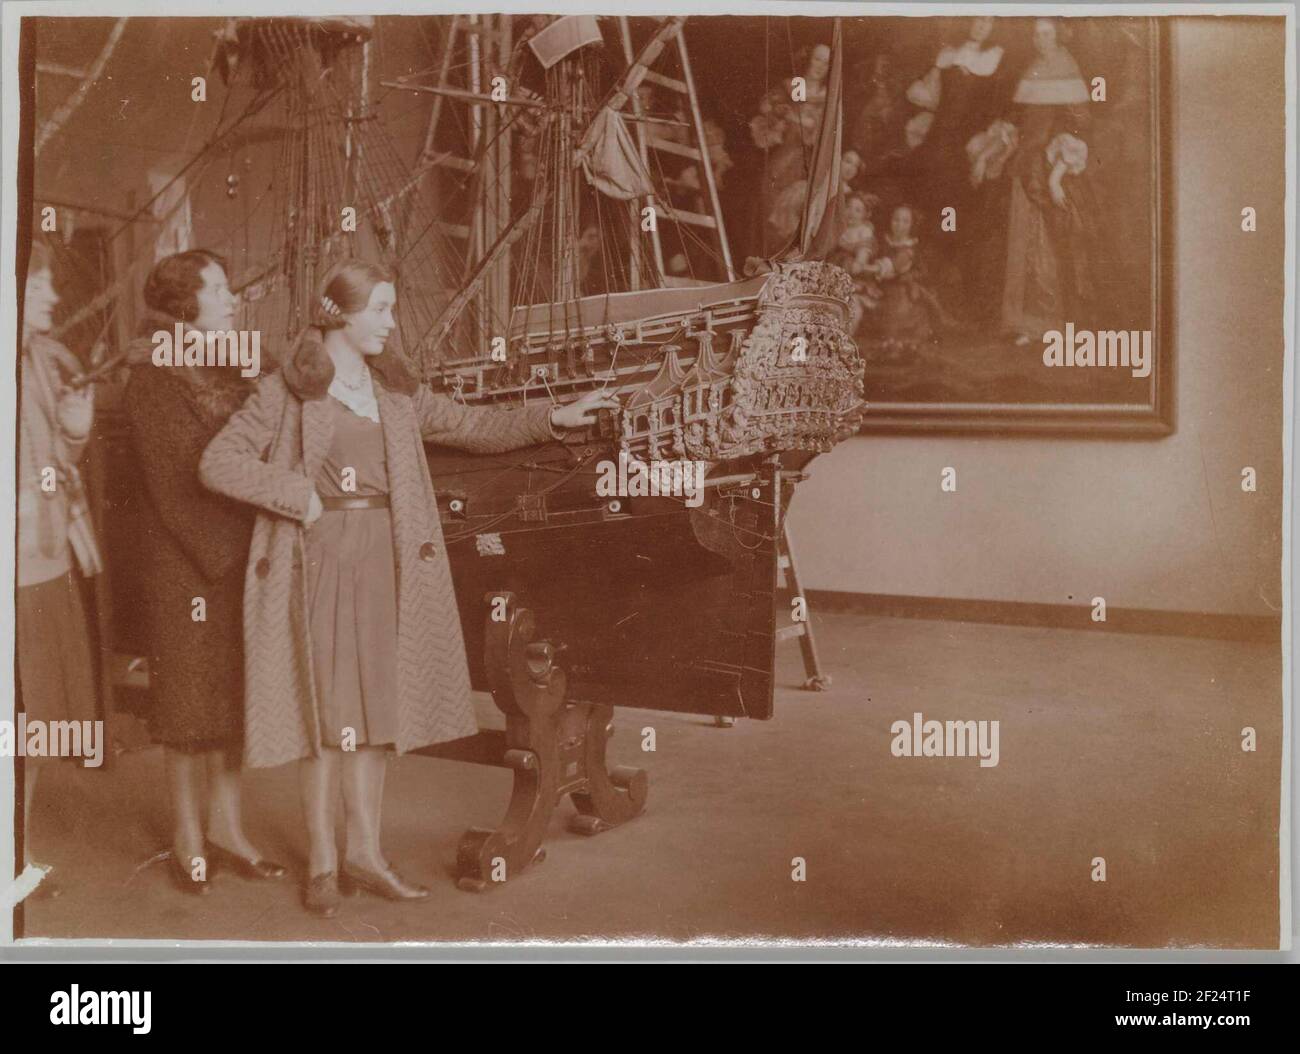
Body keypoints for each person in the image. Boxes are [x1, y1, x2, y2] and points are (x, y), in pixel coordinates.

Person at [198, 259, 617, 917]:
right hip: (320, 560)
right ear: (341, 314)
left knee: (374, 719)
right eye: (383, 309)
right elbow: (218, 462)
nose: (393, 322)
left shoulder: (393, 390)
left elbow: (470, 424)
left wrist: (553, 416)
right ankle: (324, 864)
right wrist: (295, 493)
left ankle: (365, 856)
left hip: (388, 564)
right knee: (326, 720)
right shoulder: (287, 391)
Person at [123, 249, 286, 895]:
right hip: (184, 561)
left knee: (229, 707)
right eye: (218, 289)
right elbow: (173, 485)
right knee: (187, 715)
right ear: (184, 304)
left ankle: (229, 830)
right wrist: (237, 548)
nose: (231, 299)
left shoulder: (235, 362)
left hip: (236, 554)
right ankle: (188, 839)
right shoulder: (151, 378)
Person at [17, 241, 100, 899]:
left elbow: (55, 461)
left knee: (33, 714)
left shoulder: (45, 362)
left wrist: (74, 433)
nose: (51, 294)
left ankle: (13, 846)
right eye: (36, 281)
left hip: (41, 564)